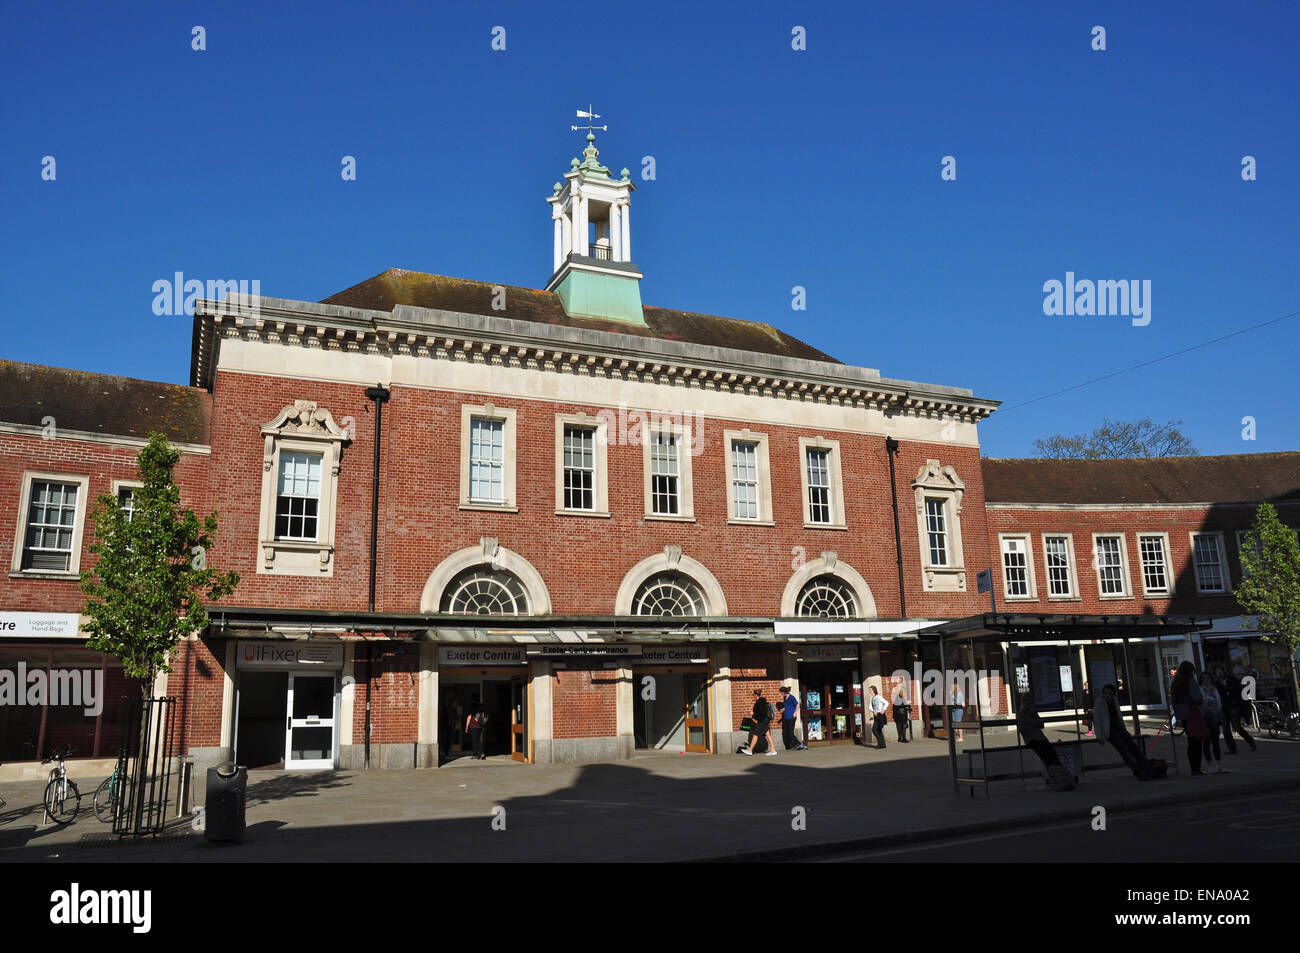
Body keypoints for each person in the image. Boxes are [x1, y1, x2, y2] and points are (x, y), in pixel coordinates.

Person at [1094, 683, 1154, 780]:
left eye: (1110, 693)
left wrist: (1123, 728)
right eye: (1106, 693)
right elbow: (1097, 719)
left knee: (1134, 749)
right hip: (1110, 731)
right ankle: (1139, 772)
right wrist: (1099, 734)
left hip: (1120, 729)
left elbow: (1119, 716)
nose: (1108, 695)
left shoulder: (1114, 702)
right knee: (1125, 751)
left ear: (1113, 695)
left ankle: (1149, 769)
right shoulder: (1100, 702)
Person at [1170, 662, 1208, 776]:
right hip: (1193, 712)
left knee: (1191, 741)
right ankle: (1197, 768)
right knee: (1197, 741)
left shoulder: (1175, 684)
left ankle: (1194, 768)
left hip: (1183, 714)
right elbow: (1197, 697)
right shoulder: (1190, 682)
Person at [1213, 666, 1256, 753]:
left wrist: (1226, 687)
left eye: (1220, 670)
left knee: (1237, 727)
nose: (1219, 673)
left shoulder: (1231, 680)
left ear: (1224, 671)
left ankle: (1250, 741)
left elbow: (1238, 691)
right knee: (1225, 729)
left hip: (1233, 706)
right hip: (1223, 708)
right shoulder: (1216, 683)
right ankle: (1232, 749)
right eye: (1217, 671)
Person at [1016, 694, 1061, 768]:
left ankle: (1060, 771)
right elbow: (1023, 729)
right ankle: (1055, 772)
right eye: (1027, 701)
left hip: (1041, 737)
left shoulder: (1033, 712)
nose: (1029, 703)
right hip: (1032, 740)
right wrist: (1034, 724)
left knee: (1053, 756)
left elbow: (1042, 725)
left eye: (1030, 701)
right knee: (1047, 759)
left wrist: (1034, 716)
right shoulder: (1021, 714)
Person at [1199, 671, 1228, 774]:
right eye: (1204, 678)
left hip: (1215, 717)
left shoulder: (1215, 689)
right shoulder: (1200, 690)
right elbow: (1202, 704)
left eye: (1208, 678)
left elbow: (1219, 702)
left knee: (1216, 742)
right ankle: (1210, 765)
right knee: (1206, 742)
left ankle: (1219, 765)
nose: (1206, 680)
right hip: (1206, 718)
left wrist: (1218, 715)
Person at [741, 689, 777, 756]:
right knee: (767, 734)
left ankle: (750, 750)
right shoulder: (764, 702)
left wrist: (752, 714)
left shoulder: (758, 703)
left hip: (762, 721)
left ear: (756, 695)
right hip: (766, 720)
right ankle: (773, 750)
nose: (753, 697)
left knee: (755, 734)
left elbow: (759, 714)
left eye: (753, 695)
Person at [779, 685, 806, 750]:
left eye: (781, 693)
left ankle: (798, 744)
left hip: (792, 717)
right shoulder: (785, 698)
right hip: (786, 717)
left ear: (784, 692)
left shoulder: (791, 697)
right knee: (787, 733)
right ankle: (793, 745)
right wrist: (783, 709)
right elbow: (787, 706)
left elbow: (797, 705)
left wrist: (795, 713)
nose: (780, 694)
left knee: (791, 733)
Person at [465, 695, 487, 761]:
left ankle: (475, 754)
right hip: (480, 725)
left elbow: (469, 717)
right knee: (478, 740)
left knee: (475, 740)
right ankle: (482, 753)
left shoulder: (471, 706)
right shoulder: (481, 705)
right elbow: (484, 715)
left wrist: (466, 727)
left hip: (473, 725)